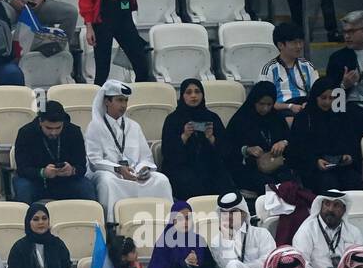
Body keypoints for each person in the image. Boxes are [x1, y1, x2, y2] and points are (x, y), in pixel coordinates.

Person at [84, 80, 171, 221]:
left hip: (134, 174)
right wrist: (119, 169)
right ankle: (113, 226)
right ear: (107, 101)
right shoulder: (95, 127)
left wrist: (143, 169)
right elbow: (94, 161)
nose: (124, 105)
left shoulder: (134, 126)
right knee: (107, 182)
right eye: (119, 100)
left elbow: (146, 157)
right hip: (111, 174)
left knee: (161, 180)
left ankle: (164, 222)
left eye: (125, 101)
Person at [160, 78, 234, 200]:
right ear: (182, 96)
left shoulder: (212, 117)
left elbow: (226, 150)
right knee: (193, 184)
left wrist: (211, 139)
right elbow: (167, 153)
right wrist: (184, 137)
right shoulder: (173, 119)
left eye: (197, 91)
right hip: (181, 167)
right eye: (188, 92)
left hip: (209, 165)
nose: (193, 96)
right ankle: (199, 217)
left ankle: (230, 218)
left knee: (226, 186)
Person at [287, 78, 363, 193]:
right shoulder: (304, 118)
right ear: (315, 97)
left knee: (354, 182)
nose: (327, 102)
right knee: (329, 184)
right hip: (314, 170)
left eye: (331, 98)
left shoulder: (340, 116)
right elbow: (297, 149)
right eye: (323, 98)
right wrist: (315, 162)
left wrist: (349, 156)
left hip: (341, 166)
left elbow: (351, 142)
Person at [12, 101, 95, 205]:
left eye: (58, 128)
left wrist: (72, 170)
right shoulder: (26, 133)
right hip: (35, 181)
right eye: (49, 128)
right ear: (40, 121)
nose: (53, 132)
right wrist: (42, 172)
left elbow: (82, 166)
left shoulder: (74, 132)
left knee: (86, 187)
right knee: (24, 188)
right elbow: (22, 168)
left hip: (66, 181)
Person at [211, 192, 277, 268]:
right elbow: (227, 267)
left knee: (235, 265)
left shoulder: (262, 234)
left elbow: (268, 263)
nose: (229, 216)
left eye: (233, 212)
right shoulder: (217, 242)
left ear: (243, 213)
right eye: (224, 213)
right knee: (232, 266)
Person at [225, 82, 292, 197]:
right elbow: (228, 147)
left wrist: (283, 142)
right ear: (254, 101)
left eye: (269, 104)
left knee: (289, 183)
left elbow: (291, 139)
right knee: (267, 186)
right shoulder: (241, 120)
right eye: (261, 104)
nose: (265, 108)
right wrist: (246, 150)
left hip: (275, 164)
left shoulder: (276, 118)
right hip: (249, 168)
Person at [292, 190, 360, 268]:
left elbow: (362, 260)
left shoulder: (353, 232)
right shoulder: (306, 231)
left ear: (344, 209)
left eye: (336, 205)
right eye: (327, 204)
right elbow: (302, 263)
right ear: (321, 206)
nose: (330, 209)